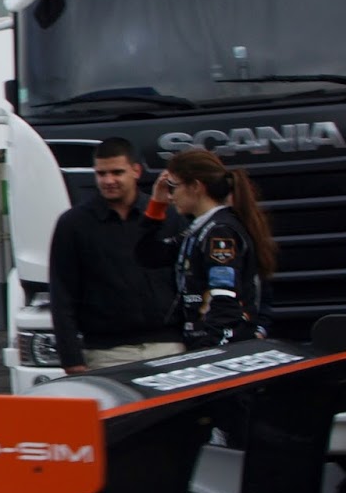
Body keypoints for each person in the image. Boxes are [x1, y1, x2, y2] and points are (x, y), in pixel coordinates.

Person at [48, 137, 185, 373]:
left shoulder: (171, 217)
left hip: (170, 347)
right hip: (106, 354)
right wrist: (71, 359)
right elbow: (62, 295)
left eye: (117, 172)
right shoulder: (73, 224)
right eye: (101, 174)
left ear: (136, 171)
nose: (108, 180)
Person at [140, 147, 275, 351]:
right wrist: (155, 207)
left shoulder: (219, 231)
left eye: (173, 187)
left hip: (221, 348)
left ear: (195, 186)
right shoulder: (198, 230)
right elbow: (148, 255)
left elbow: (224, 299)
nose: (170, 196)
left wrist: (211, 351)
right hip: (202, 341)